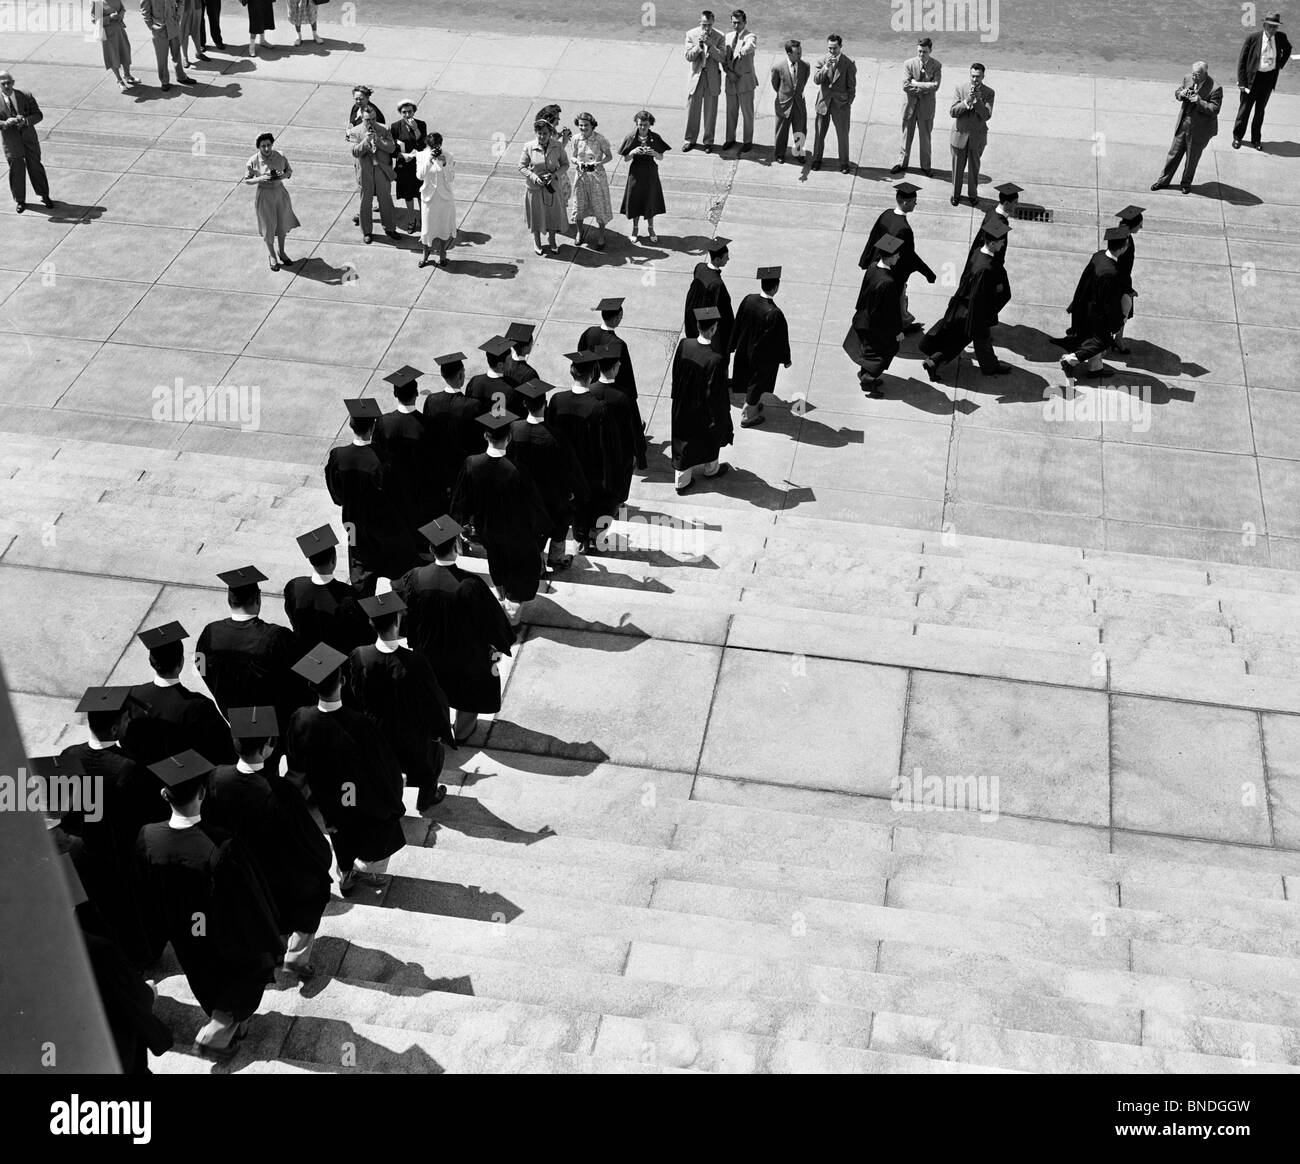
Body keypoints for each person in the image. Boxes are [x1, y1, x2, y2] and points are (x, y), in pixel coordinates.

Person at [137, 750, 284, 1056]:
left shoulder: (149, 837)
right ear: (203, 793)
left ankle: (228, 1021)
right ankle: (220, 1026)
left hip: (182, 931)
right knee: (244, 974)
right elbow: (248, 901)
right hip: (222, 934)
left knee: (203, 977)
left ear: (164, 794)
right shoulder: (221, 846)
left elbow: (146, 891)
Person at [205, 706, 332, 979]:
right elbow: (307, 839)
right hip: (277, 870)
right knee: (315, 891)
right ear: (269, 747)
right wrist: (324, 860)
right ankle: (296, 956)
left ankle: (271, 949)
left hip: (239, 866)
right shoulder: (280, 790)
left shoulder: (216, 778)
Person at [57, 687, 167, 969]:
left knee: (97, 912)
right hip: (119, 855)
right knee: (129, 913)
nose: (130, 721)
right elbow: (151, 814)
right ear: (116, 727)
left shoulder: (70, 755)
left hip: (82, 853)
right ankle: (141, 958)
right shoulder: (128, 769)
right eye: (127, 719)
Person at [286, 645, 407, 893]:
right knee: (368, 831)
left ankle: (345, 871)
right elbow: (384, 768)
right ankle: (366, 870)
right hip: (359, 797)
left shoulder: (300, 719)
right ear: (342, 680)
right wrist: (395, 799)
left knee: (339, 832)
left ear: (311, 686)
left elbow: (296, 760)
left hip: (326, 798)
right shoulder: (361, 724)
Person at [393, 517, 517, 742]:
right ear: (456, 547)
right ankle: (462, 732)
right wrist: (499, 646)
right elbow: (492, 622)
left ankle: (437, 731)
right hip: (463, 656)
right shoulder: (470, 585)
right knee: (472, 687)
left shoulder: (415, 578)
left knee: (433, 690)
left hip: (428, 651)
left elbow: (404, 614)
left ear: (431, 549)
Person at [347, 593, 453, 813]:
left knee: (386, 765)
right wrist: (441, 729)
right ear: (397, 621)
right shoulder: (415, 662)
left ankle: (391, 801)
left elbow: (357, 691)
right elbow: (433, 700)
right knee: (430, 760)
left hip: (378, 727)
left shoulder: (359, 655)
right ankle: (427, 797)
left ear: (370, 622)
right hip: (412, 729)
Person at [452, 413, 551, 624]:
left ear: (485, 435)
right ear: (510, 437)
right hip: (515, 533)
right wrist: (541, 530)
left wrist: (461, 525)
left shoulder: (471, 464)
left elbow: (461, 500)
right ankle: (512, 616)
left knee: (496, 561)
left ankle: (501, 595)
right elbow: (533, 507)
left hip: (486, 530)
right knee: (519, 571)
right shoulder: (516, 471)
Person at [324, 398, 420, 596]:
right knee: (398, 570)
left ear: (351, 425)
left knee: (361, 578)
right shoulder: (383, 461)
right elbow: (398, 499)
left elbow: (337, 495)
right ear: (373, 426)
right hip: (384, 529)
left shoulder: (338, 456)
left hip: (354, 527)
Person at [196, 566, 303, 731]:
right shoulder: (277, 637)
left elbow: (201, 667)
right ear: (258, 599)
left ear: (229, 600)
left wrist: (221, 691)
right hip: (274, 722)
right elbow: (297, 679)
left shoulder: (209, 634)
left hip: (234, 717)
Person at [125, 621, 237, 767]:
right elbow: (226, 750)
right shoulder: (199, 706)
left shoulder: (132, 696)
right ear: (181, 662)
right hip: (187, 780)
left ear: (151, 662)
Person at [919, 217, 1013, 382]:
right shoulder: (988, 268)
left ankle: (935, 361)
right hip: (973, 311)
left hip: (961, 305)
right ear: (991, 243)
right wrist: (979, 319)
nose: (1003, 245)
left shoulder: (977, 253)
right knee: (971, 339)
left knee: (959, 340)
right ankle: (935, 361)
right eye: (1000, 242)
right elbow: (980, 296)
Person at [510, 379, 586, 571]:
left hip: (523, 496)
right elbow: (570, 471)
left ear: (524, 404)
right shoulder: (557, 437)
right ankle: (556, 558)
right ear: (544, 404)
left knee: (531, 531)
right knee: (561, 521)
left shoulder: (513, 430)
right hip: (552, 497)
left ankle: (538, 564)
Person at [547, 351, 612, 554]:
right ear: (592, 373)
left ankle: (577, 539)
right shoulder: (598, 408)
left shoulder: (557, 400)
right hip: (588, 468)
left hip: (562, 466)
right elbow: (603, 446)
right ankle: (584, 538)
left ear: (571, 371)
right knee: (587, 504)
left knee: (570, 505)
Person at [578, 297, 647, 470]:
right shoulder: (618, 345)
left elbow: (581, 356)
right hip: (614, 389)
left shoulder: (589, 333)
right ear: (616, 318)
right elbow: (626, 374)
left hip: (593, 384)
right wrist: (631, 396)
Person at [282, 524, 373, 656]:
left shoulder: (294, 586)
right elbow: (360, 634)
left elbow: (292, 616)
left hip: (305, 655)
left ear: (310, 561)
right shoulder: (349, 596)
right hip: (336, 658)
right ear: (334, 560)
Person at [672, 307, 733, 493]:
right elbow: (715, 395)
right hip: (702, 409)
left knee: (683, 440)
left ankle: (681, 482)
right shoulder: (715, 359)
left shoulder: (684, 344)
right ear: (714, 329)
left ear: (697, 325)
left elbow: (676, 372)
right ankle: (710, 469)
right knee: (710, 438)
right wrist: (721, 418)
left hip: (683, 403)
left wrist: (676, 395)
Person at [373, 366, 441, 532]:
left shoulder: (383, 423)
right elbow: (433, 461)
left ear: (395, 394)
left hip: (392, 488)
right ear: (417, 394)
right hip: (419, 490)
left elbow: (376, 455)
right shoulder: (427, 425)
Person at [864, 180, 937, 334]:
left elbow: (873, 238)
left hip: (879, 264)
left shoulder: (887, 214)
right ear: (905, 202)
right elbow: (909, 256)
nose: (915, 205)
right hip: (894, 273)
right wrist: (927, 272)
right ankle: (900, 327)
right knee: (897, 301)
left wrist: (868, 261)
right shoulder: (903, 229)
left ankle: (902, 323)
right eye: (914, 202)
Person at [1060, 226, 1130, 383]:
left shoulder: (1098, 256)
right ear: (1124, 247)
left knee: (1092, 339)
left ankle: (1095, 369)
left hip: (1085, 303)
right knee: (1102, 340)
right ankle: (1071, 359)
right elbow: (1109, 303)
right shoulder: (1110, 273)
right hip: (1096, 313)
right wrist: (1117, 321)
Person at [424, 352, 489, 515]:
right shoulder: (473, 405)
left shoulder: (431, 401)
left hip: (439, 464)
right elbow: (479, 439)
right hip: (463, 464)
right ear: (461, 375)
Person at [730, 266, 791, 426]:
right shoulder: (774, 313)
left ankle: (753, 405)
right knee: (756, 386)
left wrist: (733, 343)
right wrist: (786, 359)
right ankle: (747, 416)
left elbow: (737, 323)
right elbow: (781, 340)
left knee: (748, 381)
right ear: (776, 288)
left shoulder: (748, 299)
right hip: (760, 358)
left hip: (744, 350)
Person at [845, 235, 905, 397]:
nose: (899, 256)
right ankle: (868, 380)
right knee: (884, 353)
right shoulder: (888, 282)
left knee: (870, 351)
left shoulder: (872, 267)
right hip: (877, 325)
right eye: (897, 254)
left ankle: (866, 373)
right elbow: (891, 312)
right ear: (890, 256)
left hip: (864, 318)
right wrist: (897, 331)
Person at [1153, 61, 1222, 193]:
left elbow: (1215, 109)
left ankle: (1185, 184)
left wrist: (1199, 101)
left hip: (1199, 130)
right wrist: (1181, 93)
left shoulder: (1215, 88)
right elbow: (1178, 92)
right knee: (1173, 154)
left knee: (1192, 159)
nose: (1194, 77)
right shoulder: (1187, 78)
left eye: (1197, 75)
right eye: (1193, 74)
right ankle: (1163, 181)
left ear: (1205, 74)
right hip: (1184, 125)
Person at [590, 345, 639, 520]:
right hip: (620, 450)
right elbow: (633, 428)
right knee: (620, 481)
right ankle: (616, 505)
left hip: (595, 447)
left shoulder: (590, 391)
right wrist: (638, 452)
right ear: (616, 367)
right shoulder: (623, 396)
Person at [243, 132, 298, 271]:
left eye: (268, 145)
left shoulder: (280, 156)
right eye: (263, 146)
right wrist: (260, 179)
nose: (266, 149)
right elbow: (247, 180)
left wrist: (283, 176)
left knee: (282, 225)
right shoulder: (253, 161)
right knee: (268, 227)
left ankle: (282, 252)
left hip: (280, 193)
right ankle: (272, 255)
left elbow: (289, 171)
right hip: (265, 196)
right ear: (258, 147)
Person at [1235, 13, 1291, 148]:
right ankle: (1237, 137)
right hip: (1251, 80)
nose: (1273, 30)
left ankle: (1256, 140)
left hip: (1268, 80)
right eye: (1270, 26)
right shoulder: (1253, 38)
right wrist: (1242, 82)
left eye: (1275, 27)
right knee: (1244, 111)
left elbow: (1288, 49)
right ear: (1264, 25)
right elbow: (1242, 61)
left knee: (1260, 112)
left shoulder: (1280, 37)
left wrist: (1280, 65)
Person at [347, 105, 400, 243]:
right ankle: (367, 231)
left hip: (381, 170)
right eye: (367, 120)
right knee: (366, 202)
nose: (370, 122)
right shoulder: (354, 131)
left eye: (373, 119)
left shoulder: (384, 129)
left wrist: (377, 140)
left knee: (385, 200)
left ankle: (390, 228)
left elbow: (391, 147)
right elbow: (355, 152)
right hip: (365, 171)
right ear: (362, 118)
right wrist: (366, 141)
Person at [519, 117, 569, 256]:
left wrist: (554, 175)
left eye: (545, 133)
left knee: (552, 215)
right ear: (536, 133)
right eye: (539, 133)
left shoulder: (557, 146)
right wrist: (534, 177)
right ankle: (537, 241)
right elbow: (521, 166)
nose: (542, 136)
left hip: (552, 187)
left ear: (550, 133)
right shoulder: (529, 146)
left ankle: (552, 240)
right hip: (534, 189)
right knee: (536, 215)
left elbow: (565, 164)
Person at [618, 110, 669, 243]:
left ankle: (651, 228)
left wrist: (653, 153)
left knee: (650, 200)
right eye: (640, 124)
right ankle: (635, 229)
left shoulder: (655, 137)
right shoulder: (631, 138)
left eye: (645, 125)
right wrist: (633, 152)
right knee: (635, 200)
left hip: (650, 173)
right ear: (636, 123)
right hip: (636, 173)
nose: (642, 127)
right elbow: (626, 159)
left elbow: (661, 157)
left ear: (650, 124)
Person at [684, 238, 734, 370]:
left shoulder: (699, 267)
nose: (728, 260)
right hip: (711, 328)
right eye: (726, 257)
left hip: (696, 319)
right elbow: (725, 312)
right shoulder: (717, 284)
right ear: (717, 259)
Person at [893, 37, 941, 176]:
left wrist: (917, 84)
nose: (921, 54)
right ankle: (902, 163)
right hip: (910, 106)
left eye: (924, 52)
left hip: (926, 108)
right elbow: (905, 85)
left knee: (925, 138)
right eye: (919, 51)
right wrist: (926, 87)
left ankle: (926, 166)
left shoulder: (936, 65)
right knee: (906, 136)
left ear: (930, 51)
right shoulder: (909, 64)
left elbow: (936, 85)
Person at [949, 62, 994, 206]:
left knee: (974, 169)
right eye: (973, 76)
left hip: (976, 138)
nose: (975, 80)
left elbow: (986, 115)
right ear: (970, 75)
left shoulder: (989, 93)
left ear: (983, 76)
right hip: (960, 136)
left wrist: (979, 100)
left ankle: (972, 195)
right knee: (957, 169)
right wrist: (966, 101)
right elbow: (953, 112)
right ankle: (955, 195)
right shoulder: (960, 89)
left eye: (978, 77)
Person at [811, 34, 856, 173]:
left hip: (840, 105)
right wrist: (825, 68)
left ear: (840, 47)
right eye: (829, 48)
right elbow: (816, 80)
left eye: (834, 48)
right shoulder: (821, 61)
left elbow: (852, 87)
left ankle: (844, 163)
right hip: (824, 103)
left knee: (842, 135)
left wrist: (847, 103)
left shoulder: (848, 63)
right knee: (819, 135)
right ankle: (816, 160)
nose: (832, 51)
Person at [684, 9, 726, 152]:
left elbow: (722, 58)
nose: (706, 28)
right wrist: (700, 46)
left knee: (710, 112)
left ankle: (708, 141)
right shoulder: (691, 34)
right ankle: (690, 140)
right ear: (700, 23)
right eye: (704, 25)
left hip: (712, 79)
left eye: (709, 25)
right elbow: (688, 56)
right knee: (692, 112)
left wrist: (711, 45)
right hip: (697, 78)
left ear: (713, 23)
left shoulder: (719, 36)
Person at [570, 112, 613, 249]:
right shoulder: (576, 139)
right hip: (581, 177)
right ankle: (580, 232)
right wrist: (576, 161)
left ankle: (601, 235)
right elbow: (573, 156)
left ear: (592, 125)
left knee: (599, 206)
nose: (583, 128)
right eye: (581, 125)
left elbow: (609, 156)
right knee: (579, 205)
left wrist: (598, 163)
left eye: (586, 125)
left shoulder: (600, 139)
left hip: (596, 177)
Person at [415, 132, 455, 267]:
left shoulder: (448, 156)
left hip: (444, 198)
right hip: (428, 198)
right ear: (428, 145)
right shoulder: (421, 155)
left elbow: (450, 178)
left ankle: (442, 253)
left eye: (437, 146)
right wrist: (429, 161)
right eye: (433, 147)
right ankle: (425, 254)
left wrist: (444, 164)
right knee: (427, 229)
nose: (435, 149)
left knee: (443, 227)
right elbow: (420, 176)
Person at [721, 8, 758, 152]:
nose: (736, 26)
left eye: (739, 23)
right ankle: (730, 139)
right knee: (731, 112)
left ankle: (747, 141)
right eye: (734, 23)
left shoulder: (750, 36)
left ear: (745, 22)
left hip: (745, 82)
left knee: (747, 113)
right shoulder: (728, 36)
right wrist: (727, 71)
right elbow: (724, 58)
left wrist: (745, 49)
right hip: (731, 80)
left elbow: (751, 45)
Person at [1110, 205, 1143, 353]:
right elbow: (1120, 269)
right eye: (1139, 224)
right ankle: (1118, 340)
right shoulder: (1125, 242)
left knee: (1121, 312)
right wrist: (1128, 290)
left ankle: (1118, 338)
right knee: (1121, 312)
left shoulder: (1119, 235)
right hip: (1120, 282)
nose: (1141, 227)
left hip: (1121, 279)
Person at [389, 100, 426, 233]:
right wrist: (403, 156)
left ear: (414, 111)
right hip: (404, 167)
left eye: (410, 111)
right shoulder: (395, 127)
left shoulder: (421, 124)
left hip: (418, 165)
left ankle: (424, 220)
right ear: (400, 113)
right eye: (404, 112)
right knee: (408, 196)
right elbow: (391, 149)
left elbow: (423, 145)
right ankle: (411, 219)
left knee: (421, 194)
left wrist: (416, 129)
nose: (407, 114)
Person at [139, 0, 192, 91]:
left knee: (177, 55)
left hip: (173, 26)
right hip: (159, 30)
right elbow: (144, 11)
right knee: (161, 58)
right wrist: (152, 26)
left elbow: (181, 2)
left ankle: (181, 77)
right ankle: (164, 81)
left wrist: (178, 16)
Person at [771, 39, 809, 164]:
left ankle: (799, 152)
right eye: (797, 53)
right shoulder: (778, 67)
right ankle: (780, 154)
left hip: (799, 104)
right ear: (789, 53)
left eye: (800, 52)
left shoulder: (805, 66)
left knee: (800, 129)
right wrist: (785, 95)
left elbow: (803, 82)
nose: (800, 55)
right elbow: (775, 85)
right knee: (781, 131)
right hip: (784, 104)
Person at [966, 180, 1021, 268]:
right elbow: (997, 250)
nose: (1017, 205)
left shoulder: (992, 210)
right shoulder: (1000, 223)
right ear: (1006, 203)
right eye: (1015, 202)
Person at [91, 1, 141, 91]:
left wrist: (121, 14)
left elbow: (122, 9)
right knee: (113, 56)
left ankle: (127, 76)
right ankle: (119, 80)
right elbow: (95, 20)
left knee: (125, 52)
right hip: (108, 34)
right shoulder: (98, 2)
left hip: (120, 30)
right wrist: (109, 17)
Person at [503, 322, 540, 391]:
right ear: (526, 349)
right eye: (531, 344)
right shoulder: (530, 373)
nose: (531, 346)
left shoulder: (503, 365)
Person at [180, 0, 207, 69]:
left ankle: (199, 53)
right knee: (184, 33)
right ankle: (185, 58)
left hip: (197, 6)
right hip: (183, 8)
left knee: (196, 31)